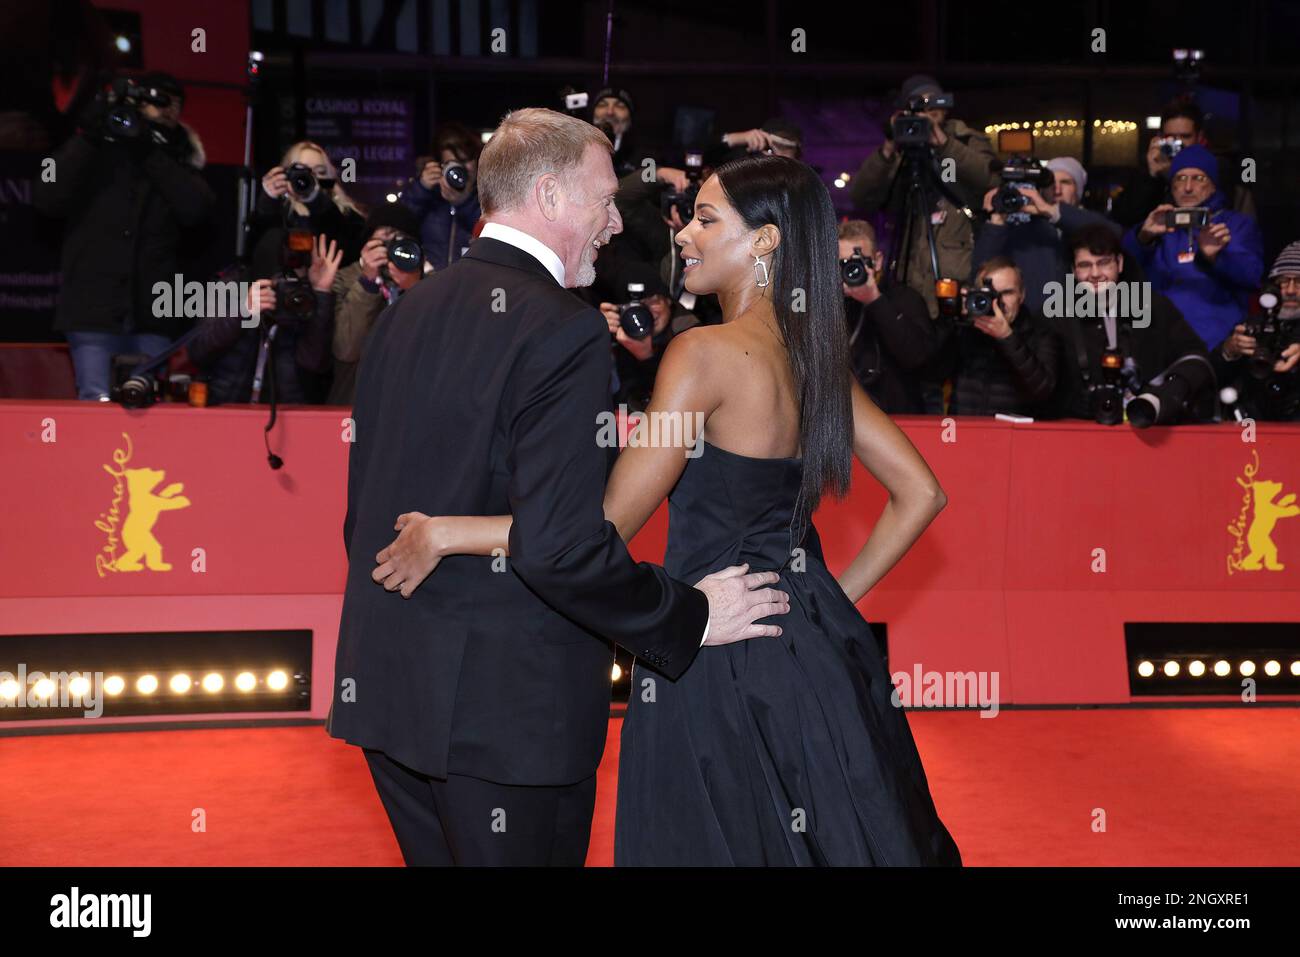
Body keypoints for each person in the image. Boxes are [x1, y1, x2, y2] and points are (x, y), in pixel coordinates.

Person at [378, 154, 963, 866]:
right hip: (814, 647)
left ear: (766, 240)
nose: (682, 236)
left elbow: (602, 527)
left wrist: (446, 532)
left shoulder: (701, 355)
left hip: (715, 650)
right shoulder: (816, 358)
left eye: (707, 220)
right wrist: (826, 598)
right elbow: (922, 492)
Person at [325, 108, 787, 867]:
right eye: (603, 200)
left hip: (390, 692)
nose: (615, 223)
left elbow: (363, 517)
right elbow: (559, 544)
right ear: (547, 196)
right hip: (506, 719)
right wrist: (692, 616)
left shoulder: (407, 311)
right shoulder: (561, 328)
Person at [34, 71, 215, 400]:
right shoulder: (94, 147)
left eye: (170, 103)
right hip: (93, 308)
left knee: (148, 406)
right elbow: (46, 194)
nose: (161, 110)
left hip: (153, 313)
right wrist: (90, 133)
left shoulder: (179, 157)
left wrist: (146, 149)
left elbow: (197, 210)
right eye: (150, 101)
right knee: (95, 401)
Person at [1122, 144, 1264, 352]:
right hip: (1161, 342)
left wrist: (1215, 258)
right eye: (1180, 178)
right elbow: (1120, 270)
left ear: (1213, 184)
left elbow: (1253, 276)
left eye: (1198, 178)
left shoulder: (1236, 224)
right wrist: (1143, 237)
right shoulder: (1159, 225)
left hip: (1217, 343)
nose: (1188, 187)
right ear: (1171, 186)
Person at [327, 202, 427, 406]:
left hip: (413, 405)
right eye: (384, 242)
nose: (392, 250)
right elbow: (346, 350)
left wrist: (413, 288)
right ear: (367, 244)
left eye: (400, 243)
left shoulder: (431, 283)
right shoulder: (344, 279)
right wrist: (368, 284)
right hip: (354, 404)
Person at [837, 219, 940, 414]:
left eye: (858, 262)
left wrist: (874, 300)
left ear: (877, 261)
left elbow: (919, 357)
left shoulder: (904, 298)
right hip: (847, 417)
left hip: (898, 416)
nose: (851, 270)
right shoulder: (829, 303)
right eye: (843, 263)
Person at [934, 257, 1058, 417]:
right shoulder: (965, 331)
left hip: (1015, 436)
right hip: (965, 431)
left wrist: (1007, 337)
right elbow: (933, 373)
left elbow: (1041, 390)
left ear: (1022, 294)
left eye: (1007, 293)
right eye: (989, 294)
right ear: (975, 295)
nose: (998, 302)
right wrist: (950, 317)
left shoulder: (1041, 333)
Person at [402, 121, 482, 269]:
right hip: (432, 285)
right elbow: (401, 223)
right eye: (452, 163)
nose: (461, 168)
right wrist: (421, 188)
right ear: (441, 166)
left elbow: (489, 234)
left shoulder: (488, 199)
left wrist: (463, 203)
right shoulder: (430, 197)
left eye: (465, 161)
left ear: (477, 162)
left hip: (471, 286)